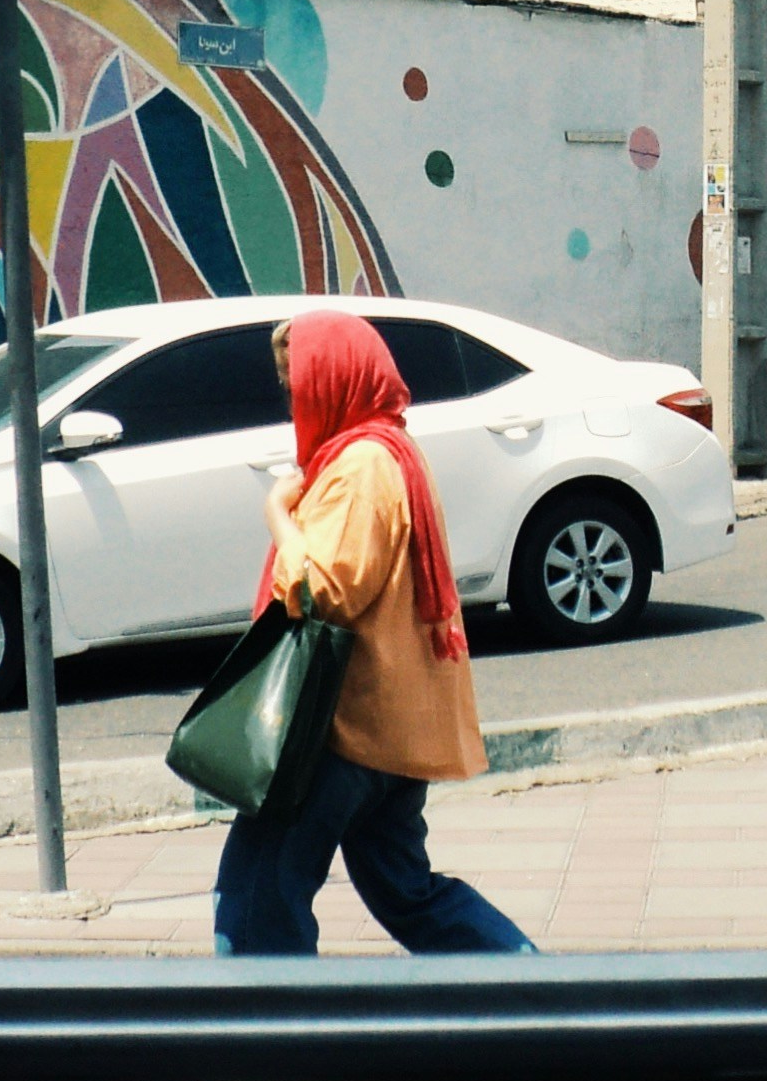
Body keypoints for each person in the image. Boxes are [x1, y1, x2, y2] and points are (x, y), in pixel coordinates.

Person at [211, 310, 536, 958]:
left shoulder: (361, 465)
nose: (294, 398)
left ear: (338, 378)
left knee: (253, 901)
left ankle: (275, 1035)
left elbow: (321, 592)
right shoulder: (388, 450)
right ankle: (527, 988)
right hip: (390, 731)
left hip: (338, 730)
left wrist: (278, 513)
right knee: (408, 894)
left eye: (299, 381)